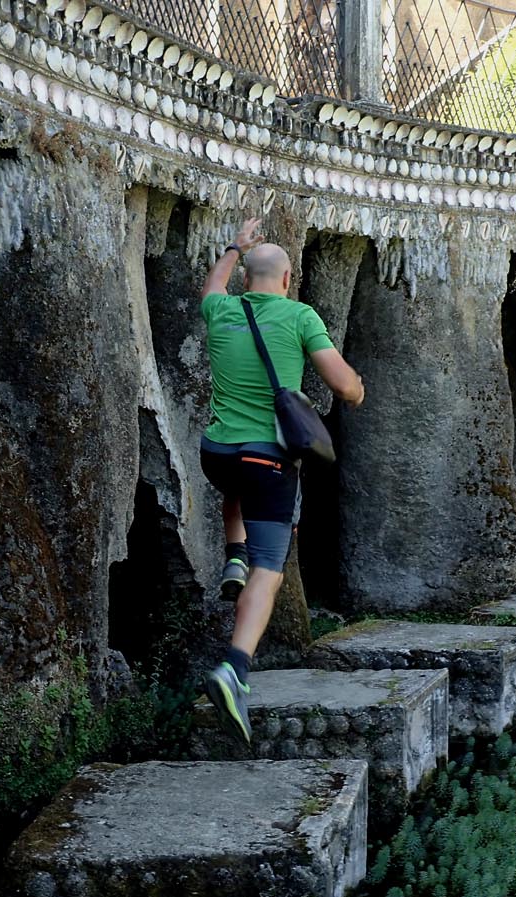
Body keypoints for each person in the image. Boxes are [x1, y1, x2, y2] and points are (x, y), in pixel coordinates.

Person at [199, 218, 365, 743]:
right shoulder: (300, 316)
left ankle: (232, 553)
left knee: (236, 483)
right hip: (268, 460)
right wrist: (357, 389)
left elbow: (211, 286)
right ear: (288, 278)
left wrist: (233, 247)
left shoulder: (220, 309)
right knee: (270, 567)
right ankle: (235, 667)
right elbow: (342, 384)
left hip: (217, 452)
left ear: (246, 276)